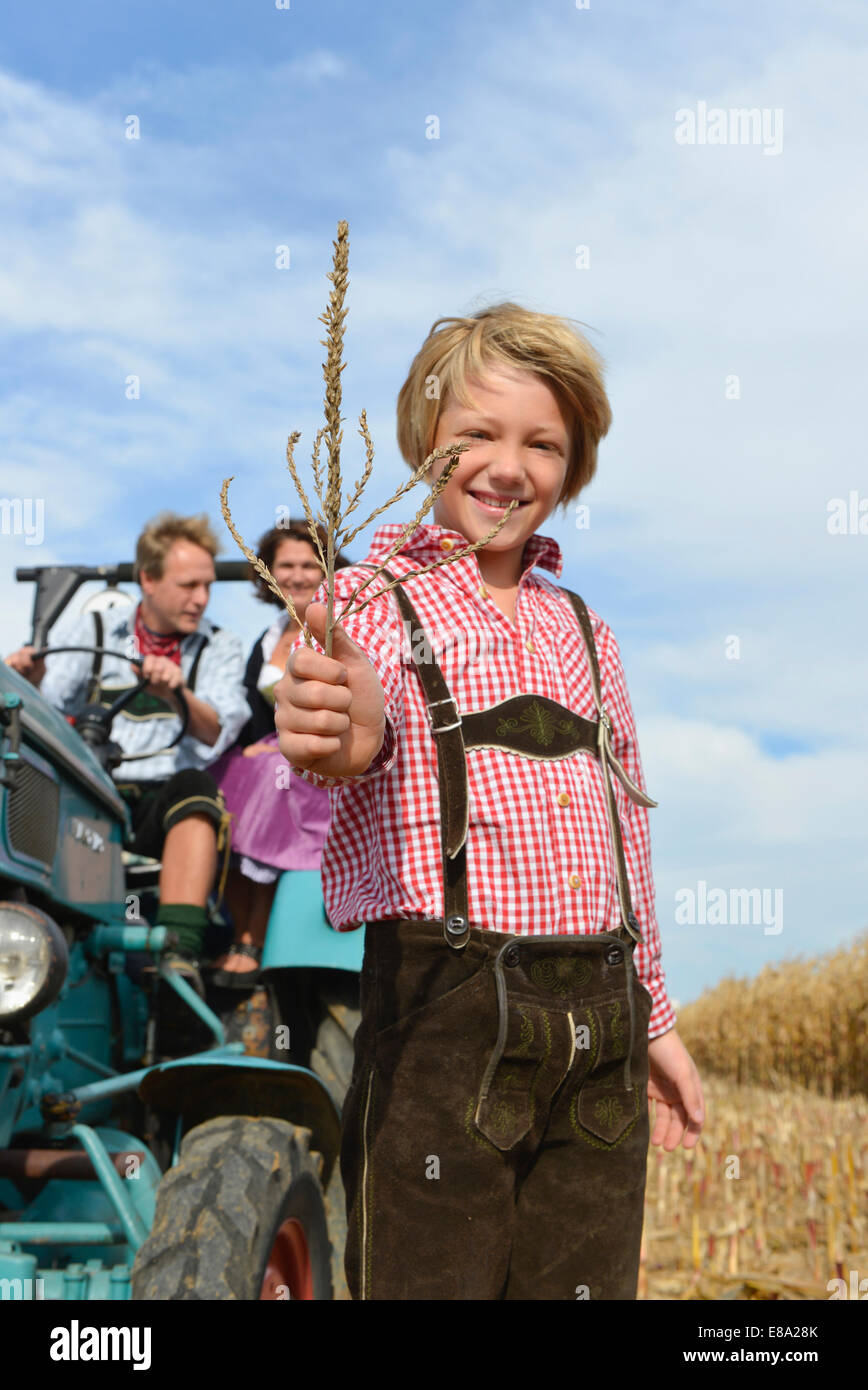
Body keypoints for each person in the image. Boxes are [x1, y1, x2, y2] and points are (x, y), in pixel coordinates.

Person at [275, 301, 705, 1301]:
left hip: (599, 1023)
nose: (507, 467)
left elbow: (624, 836)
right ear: (424, 442)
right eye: (474, 434)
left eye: (542, 444)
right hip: (443, 1013)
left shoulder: (591, 636)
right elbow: (332, 726)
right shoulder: (368, 604)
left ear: (574, 465)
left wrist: (656, 1018)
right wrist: (338, 728)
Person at [5, 512, 250, 1004]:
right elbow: (49, 707)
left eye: (207, 585)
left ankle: (177, 955)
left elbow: (218, 728)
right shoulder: (96, 628)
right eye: (188, 585)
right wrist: (27, 677)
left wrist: (179, 694)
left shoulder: (218, 646)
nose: (201, 598)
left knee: (197, 791)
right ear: (148, 580)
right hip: (93, 792)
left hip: (161, 804)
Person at [207, 520, 344, 985]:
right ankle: (234, 928)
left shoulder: (340, 633)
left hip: (321, 761)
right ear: (270, 573)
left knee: (265, 778)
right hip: (268, 755)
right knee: (214, 779)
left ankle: (257, 939)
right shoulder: (267, 639)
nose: (299, 575)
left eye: (311, 564)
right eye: (287, 565)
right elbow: (247, 717)